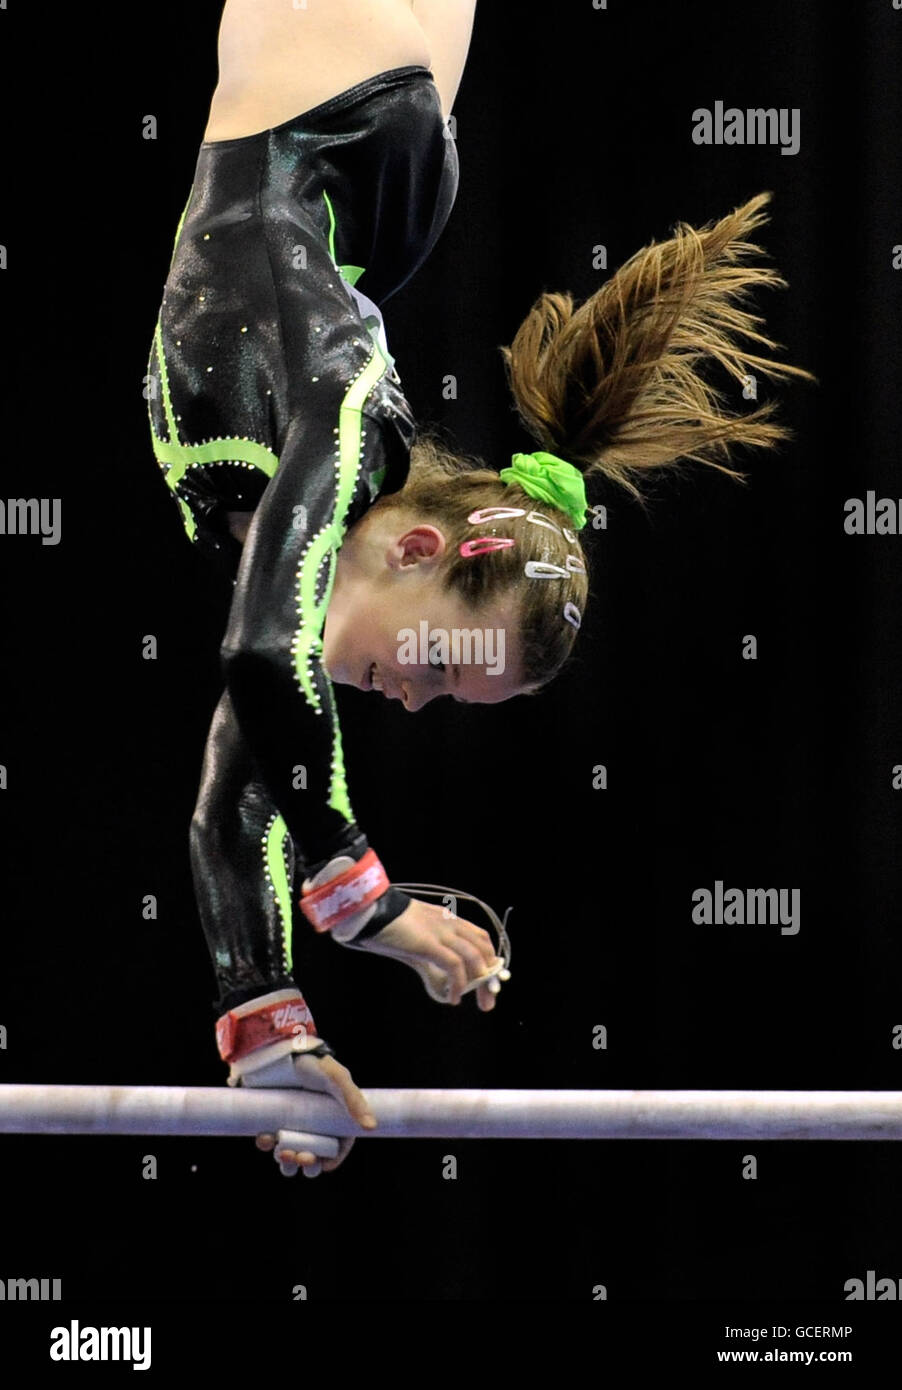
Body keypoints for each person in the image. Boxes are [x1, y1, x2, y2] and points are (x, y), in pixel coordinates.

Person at [145, 0, 816, 1177]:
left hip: (346, 135)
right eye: (439, 666)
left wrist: (272, 1034)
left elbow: (233, 804)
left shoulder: (292, 528)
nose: (407, 700)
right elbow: (264, 663)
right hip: (344, 79)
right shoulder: (343, 420)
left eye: (441, 701)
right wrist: (367, 903)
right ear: (418, 553)